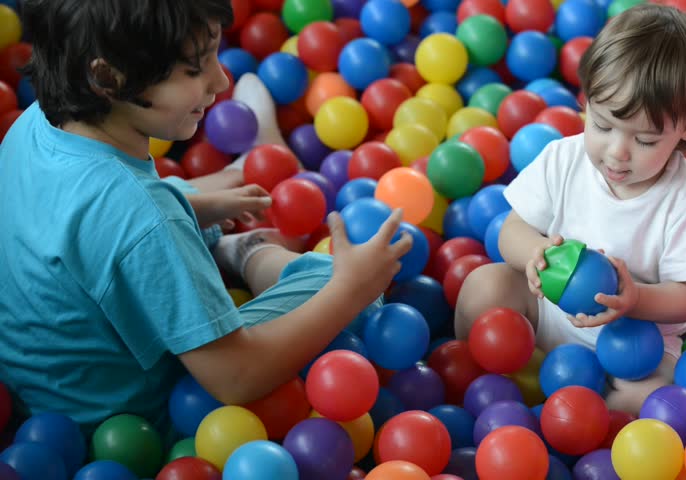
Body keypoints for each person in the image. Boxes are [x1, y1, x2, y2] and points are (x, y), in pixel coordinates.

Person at [0, 0, 411, 437]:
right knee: (333, 280)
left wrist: (192, 210)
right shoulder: (141, 215)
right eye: (194, 70)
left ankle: (237, 182)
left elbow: (80, 229)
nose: (221, 79)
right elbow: (236, 376)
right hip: (137, 417)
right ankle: (251, 250)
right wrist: (352, 288)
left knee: (163, 205)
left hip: (48, 401)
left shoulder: (36, 125)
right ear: (108, 78)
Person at [454, 3, 686, 415]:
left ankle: (579, 417)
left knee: (656, 401)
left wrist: (634, 299)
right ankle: (483, 384)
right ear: (586, 101)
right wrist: (535, 253)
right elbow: (512, 229)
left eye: (646, 141)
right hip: (546, 310)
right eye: (602, 125)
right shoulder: (563, 159)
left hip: (632, 343)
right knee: (482, 286)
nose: (617, 152)